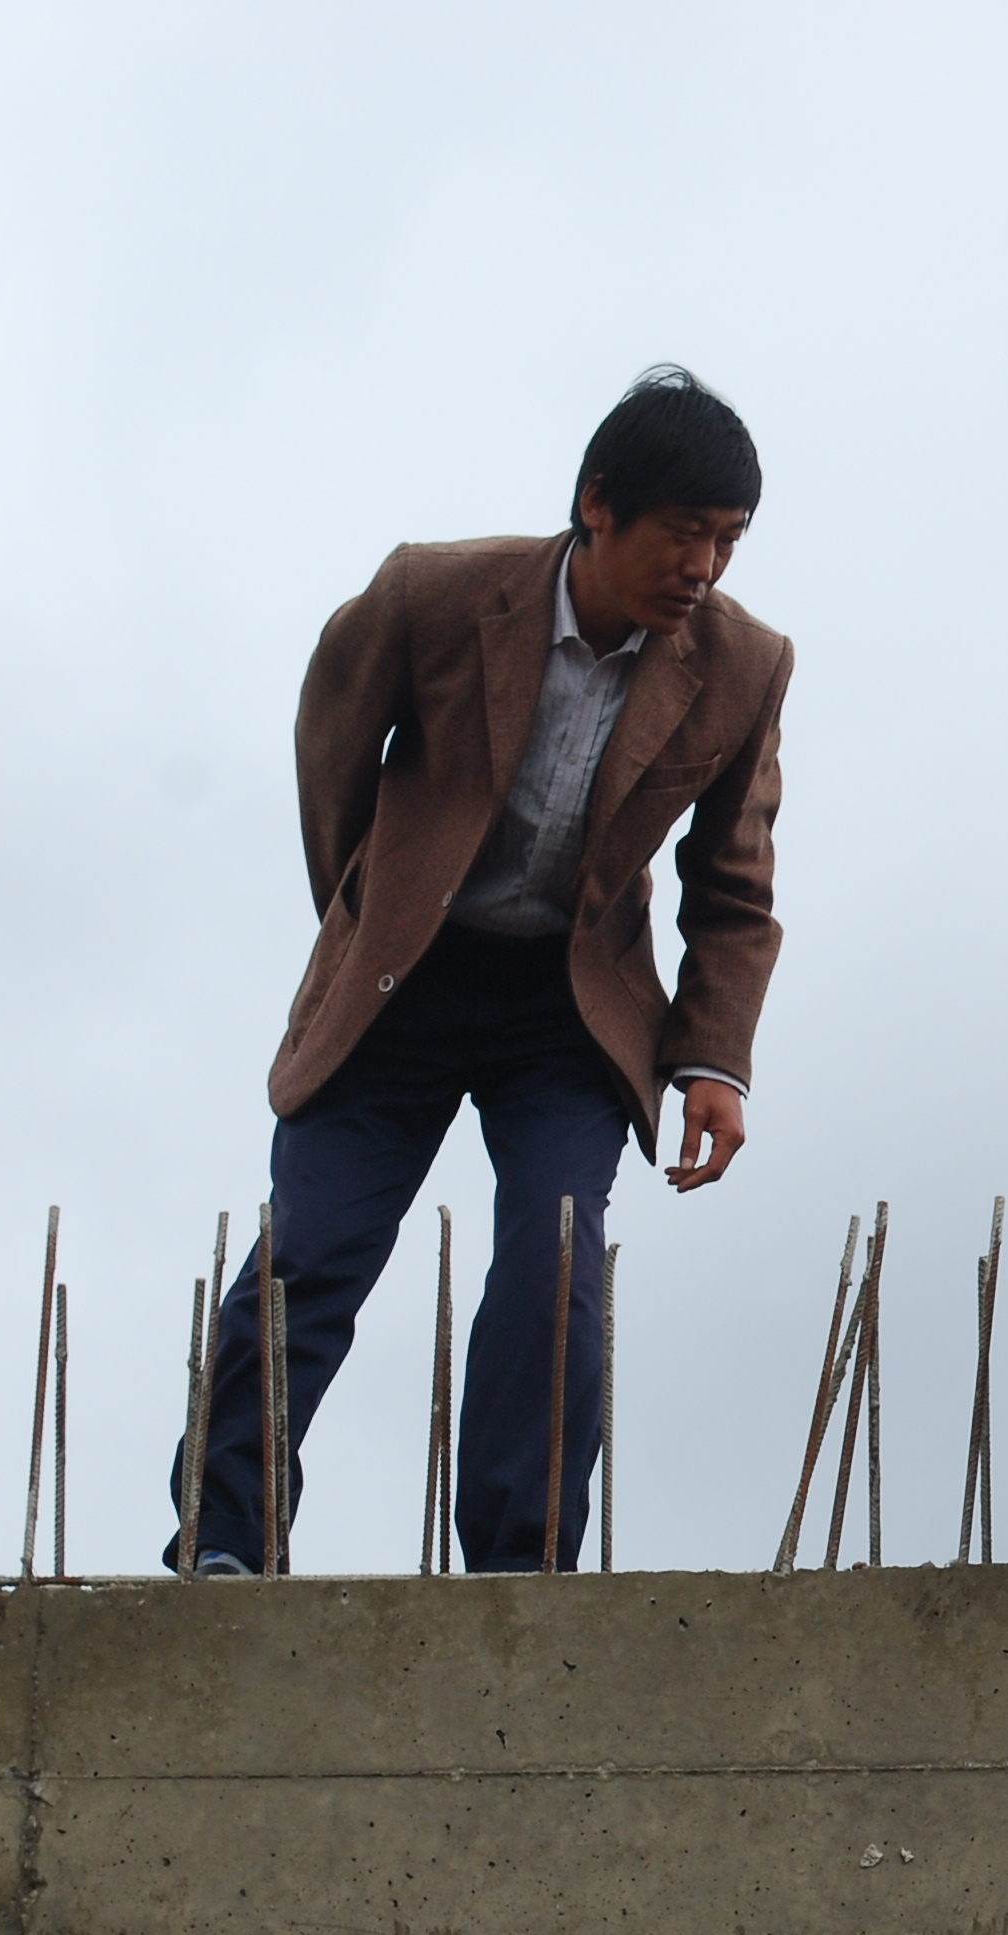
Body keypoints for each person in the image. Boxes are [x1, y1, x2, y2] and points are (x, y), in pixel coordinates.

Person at [166, 366, 791, 1575]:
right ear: (596, 505)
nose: (704, 568)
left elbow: (735, 881)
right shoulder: (433, 595)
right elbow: (331, 751)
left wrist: (714, 1059)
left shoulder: (743, 667)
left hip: (569, 1010)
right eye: (683, 534)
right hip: (406, 985)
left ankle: (520, 1570)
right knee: (310, 1255)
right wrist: (373, 913)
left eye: (727, 542)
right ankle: (225, 1544)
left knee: (555, 1262)